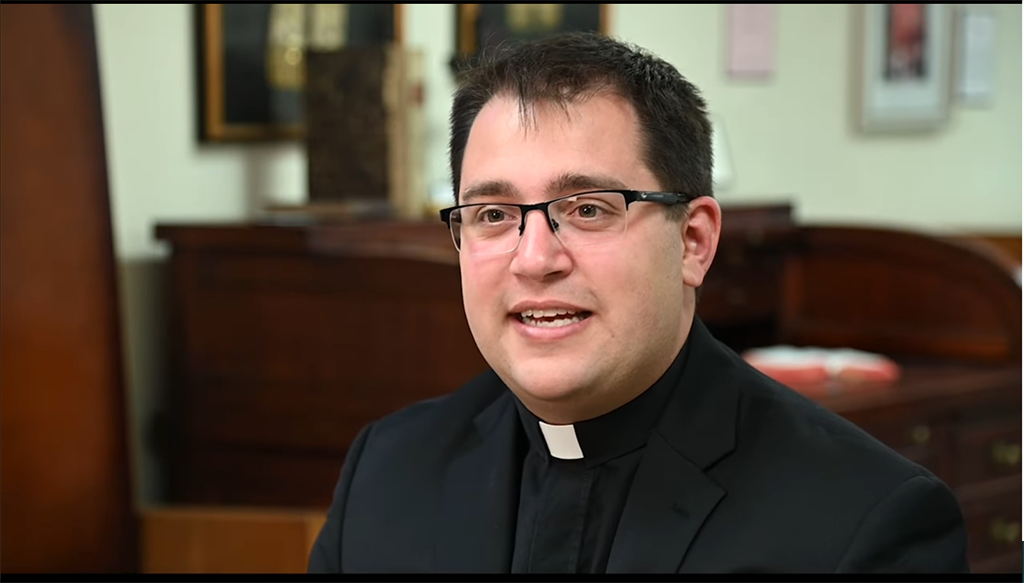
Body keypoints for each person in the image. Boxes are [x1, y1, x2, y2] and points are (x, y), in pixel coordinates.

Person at [308, 32, 968, 573]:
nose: (535, 258)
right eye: (493, 214)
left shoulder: (864, 522)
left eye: (588, 208)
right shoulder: (388, 469)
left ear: (694, 241)